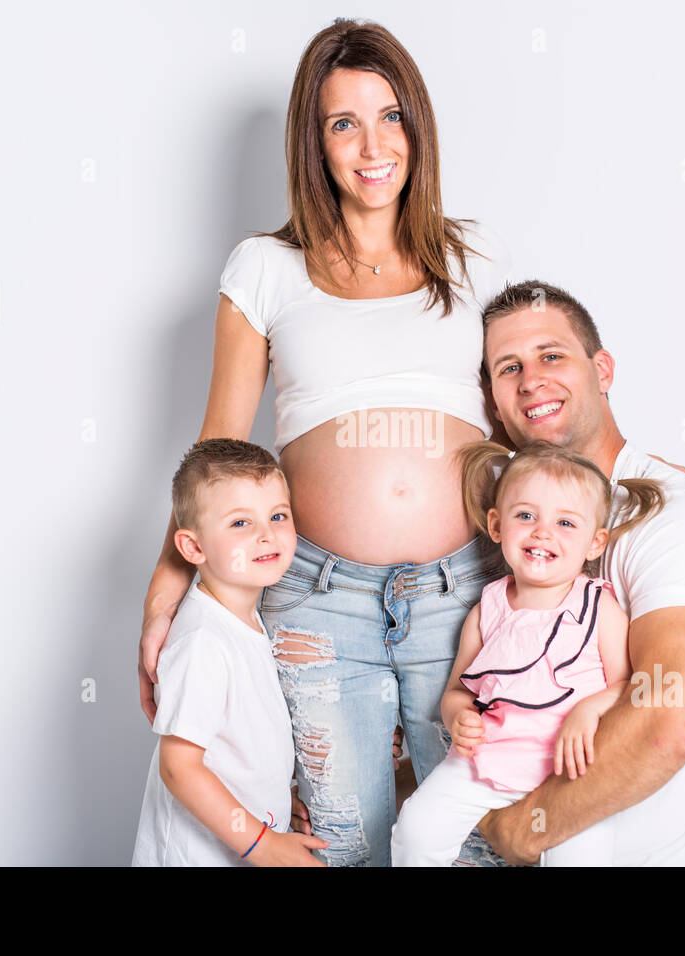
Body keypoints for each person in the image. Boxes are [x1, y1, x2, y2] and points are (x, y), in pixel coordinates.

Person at [137, 18, 514, 866]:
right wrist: (164, 599)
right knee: (337, 845)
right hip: (318, 603)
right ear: (315, 144)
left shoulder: (475, 258)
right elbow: (217, 450)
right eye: (343, 123)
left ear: (417, 126)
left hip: (465, 602)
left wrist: (630, 473)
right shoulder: (264, 267)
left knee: (473, 843)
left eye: (390, 117)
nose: (372, 145)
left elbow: (525, 426)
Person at [473, 279, 685, 865]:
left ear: (602, 370)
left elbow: (672, 716)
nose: (532, 380)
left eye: (551, 355)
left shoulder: (672, 519)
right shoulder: (521, 533)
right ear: (493, 403)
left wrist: (523, 829)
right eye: (509, 368)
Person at [390, 440, 665, 866]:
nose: (543, 532)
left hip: (573, 772)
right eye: (526, 516)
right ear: (497, 526)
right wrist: (458, 716)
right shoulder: (487, 609)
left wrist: (589, 709)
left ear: (595, 543)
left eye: (565, 523)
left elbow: (630, 686)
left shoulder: (598, 607)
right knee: (417, 827)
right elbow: (458, 690)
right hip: (490, 757)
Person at [132, 438, 328, 866]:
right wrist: (264, 843)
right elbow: (179, 768)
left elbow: (239, 749)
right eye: (241, 523)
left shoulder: (246, 623)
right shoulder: (203, 641)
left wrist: (271, 802)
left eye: (278, 515)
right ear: (193, 548)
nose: (267, 533)